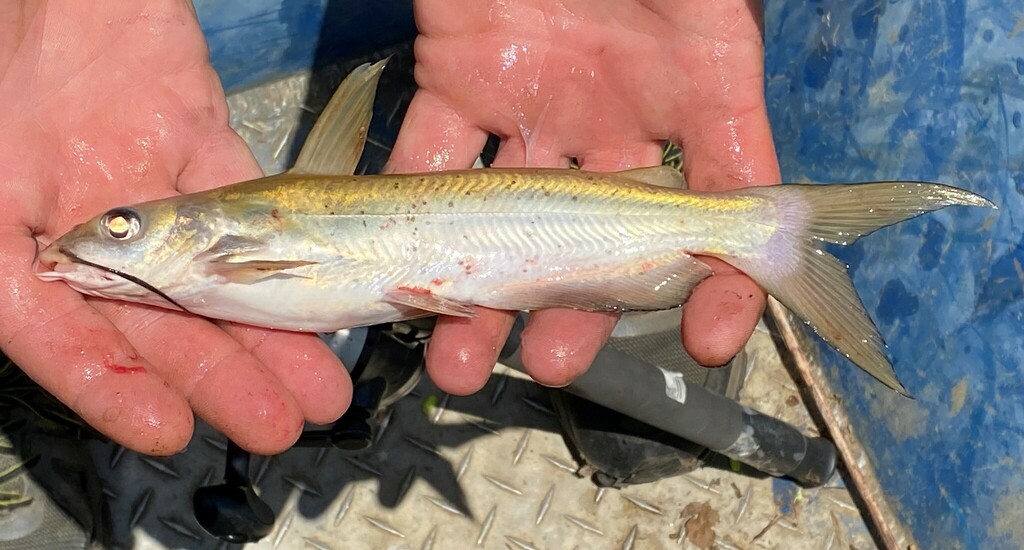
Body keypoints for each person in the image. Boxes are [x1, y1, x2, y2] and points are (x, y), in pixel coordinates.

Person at [0, 0, 779, 455]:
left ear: (211, 229)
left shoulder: (227, 250)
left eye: (124, 226)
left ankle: (766, 230)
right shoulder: (210, 259)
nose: (108, 237)